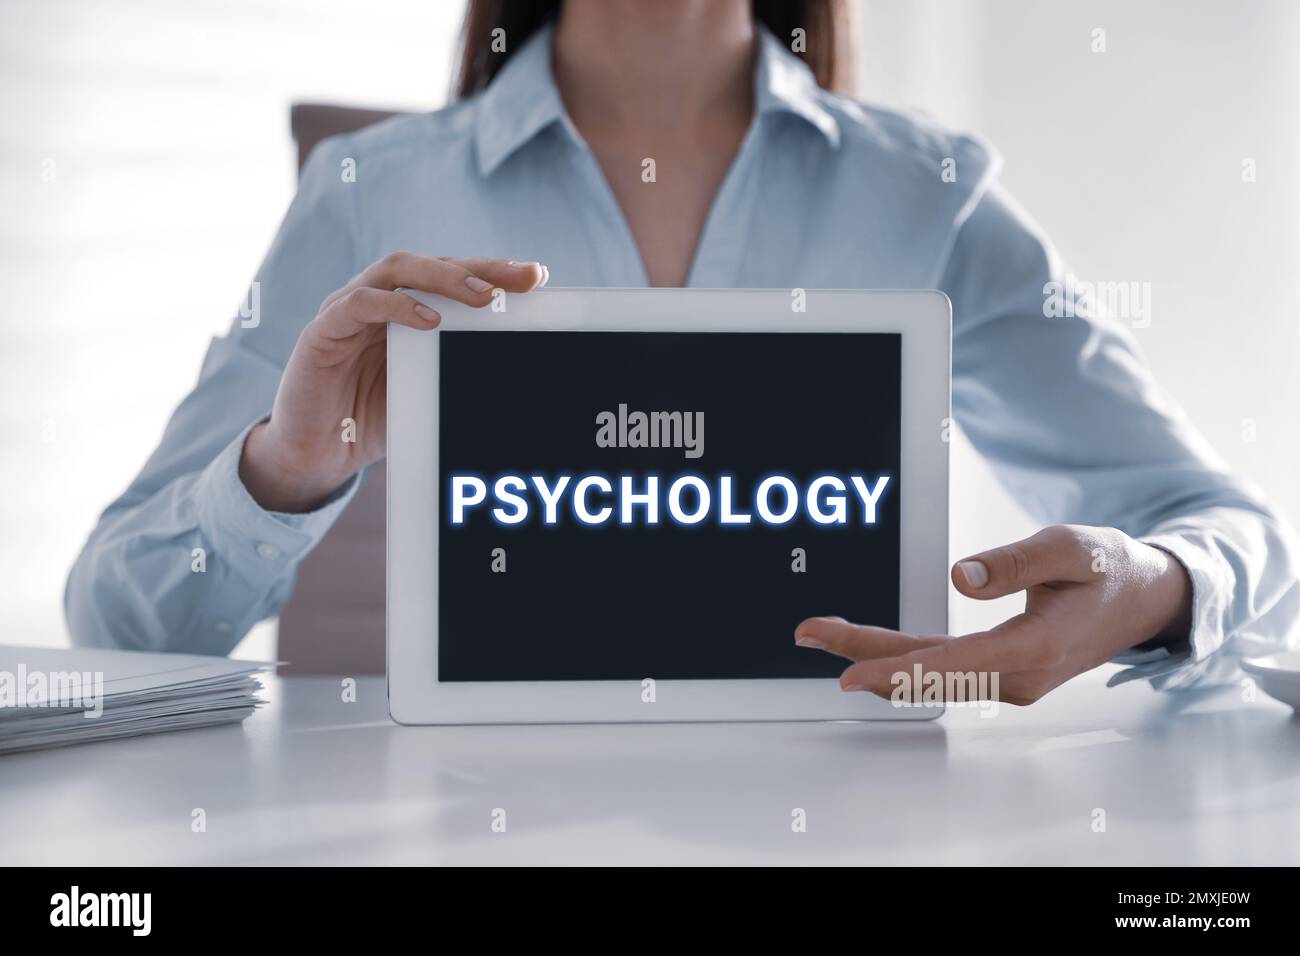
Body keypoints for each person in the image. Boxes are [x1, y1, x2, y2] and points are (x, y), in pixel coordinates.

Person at [67, 0, 1298, 705]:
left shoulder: (930, 194)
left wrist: (1158, 583)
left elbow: (1224, 522)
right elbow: (116, 617)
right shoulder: (365, 192)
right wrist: (288, 463)